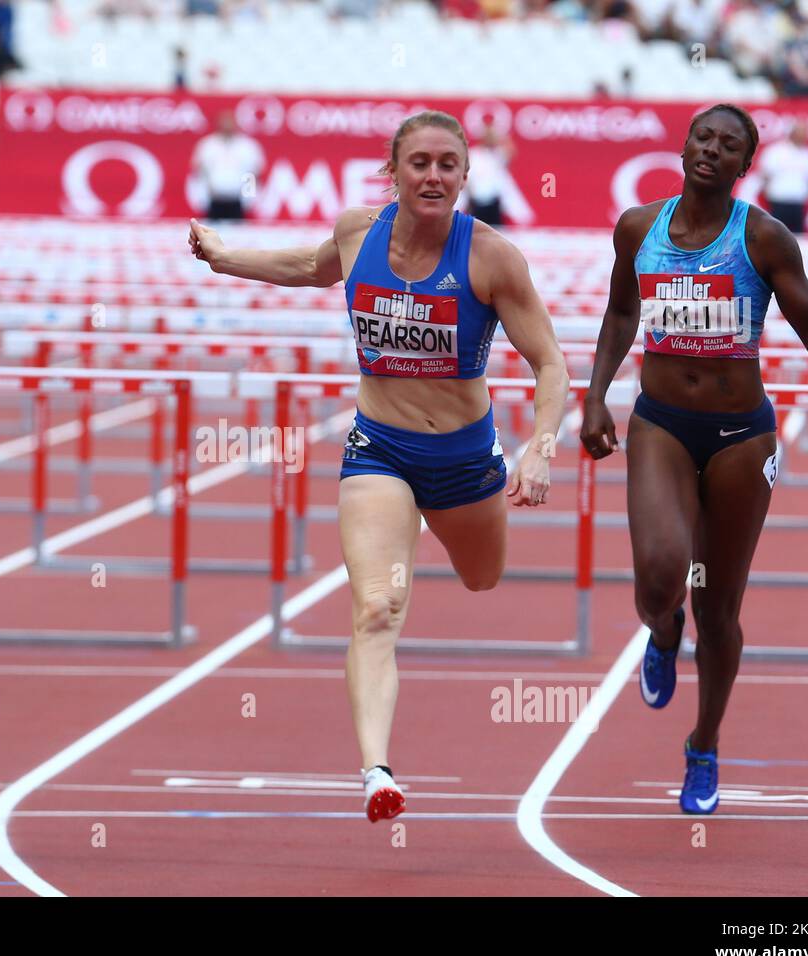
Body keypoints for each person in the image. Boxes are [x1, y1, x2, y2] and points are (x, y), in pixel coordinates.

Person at [189, 110, 569, 822]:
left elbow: (550, 361)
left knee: (481, 577)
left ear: (465, 174)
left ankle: (461, 538)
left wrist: (539, 446)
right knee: (375, 608)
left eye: (447, 164)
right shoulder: (357, 232)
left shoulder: (491, 257)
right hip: (380, 450)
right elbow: (306, 266)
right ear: (391, 171)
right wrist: (223, 255)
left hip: (464, 460)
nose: (432, 175)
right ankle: (377, 771)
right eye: (418, 162)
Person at [580, 104, 808, 815]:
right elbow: (620, 314)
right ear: (683, 145)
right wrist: (595, 398)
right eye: (704, 136)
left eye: (729, 145)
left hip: (741, 436)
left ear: (744, 165)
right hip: (661, 424)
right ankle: (661, 628)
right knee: (658, 580)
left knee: (721, 610)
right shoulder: (637, 227)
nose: (712, 149)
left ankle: (703, 743)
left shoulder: (763, 237)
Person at [190, 110, 264, 221]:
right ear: (218, 124)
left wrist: (248, 201)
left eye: (229, 122)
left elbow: (253, 174)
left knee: (237, 236)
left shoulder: (247, 146)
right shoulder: (207, 145)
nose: (227, 126)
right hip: (214, 201)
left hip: (237, 202)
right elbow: (200, 173)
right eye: (224, 122)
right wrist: (201, 199)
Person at [753, 120, 808, 235]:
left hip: (798, 204)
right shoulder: (775, 152)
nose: (804, 135)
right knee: (776, 235)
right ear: (792, 132)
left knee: (798, 239)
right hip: (777, 202)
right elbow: (765, 175)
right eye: (801, 132)